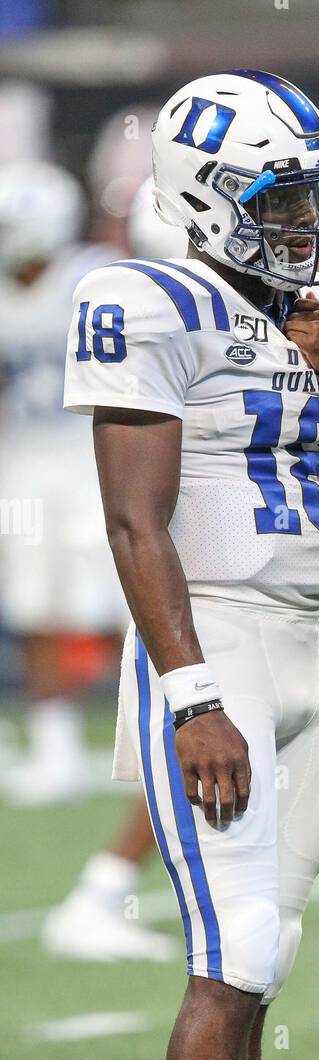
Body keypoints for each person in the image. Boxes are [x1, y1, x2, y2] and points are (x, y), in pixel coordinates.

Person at [63, 70, 319, 1060]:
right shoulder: (141, 298)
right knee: (234, 945)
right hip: (217, 642)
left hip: (307, 639)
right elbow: (133, 523)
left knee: (268, 953)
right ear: (205, 198)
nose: (309, 217)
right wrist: (191, 693)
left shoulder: (318, 309)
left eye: (316, 192)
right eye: (282, 194)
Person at [0, 161, 127, 803]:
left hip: (89, 455)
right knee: (34, 610)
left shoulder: (94, 276)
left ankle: (167, 709)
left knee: (107, 604)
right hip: (24, 459)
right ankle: (54, 747)